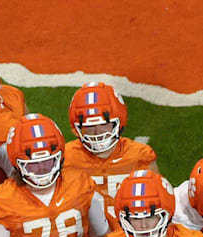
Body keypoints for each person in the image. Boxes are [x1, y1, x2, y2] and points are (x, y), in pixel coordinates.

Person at [66, 82, 158, 223]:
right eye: (89, 127)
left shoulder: (140, 155)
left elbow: (157, 205)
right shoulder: (67, 158)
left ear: (119, 121)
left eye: (104, 124)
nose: (97, 133)